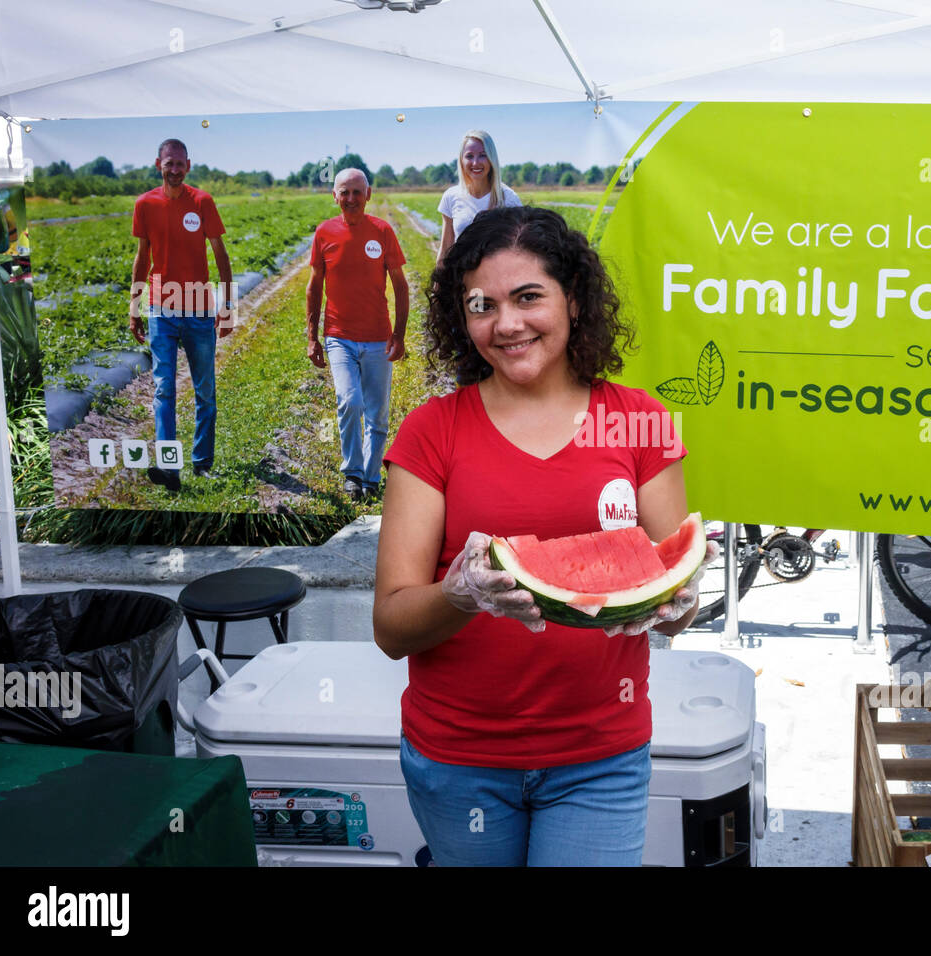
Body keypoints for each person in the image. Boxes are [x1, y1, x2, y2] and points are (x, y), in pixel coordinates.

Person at [373, 206, 715, 866]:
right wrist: (461, 594)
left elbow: (674, 607)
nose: (507, 324)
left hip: (601, 758)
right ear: (460, 317)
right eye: (482, 305)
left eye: (529, 297)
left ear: (575, 301)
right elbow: (390, 628)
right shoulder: (430, 432)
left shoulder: (639, 422)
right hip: (458, 759)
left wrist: (680, 600)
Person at [129, 138, 234, 491]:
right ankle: (169, 467)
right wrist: (135, 306)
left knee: (204, 390)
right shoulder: (145, 204)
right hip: (161, 309)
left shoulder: (202, 201)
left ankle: (202, 463)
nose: (174, 170)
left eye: (179, 164)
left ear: (188, 165)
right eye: (168, 163)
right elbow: (143, 257)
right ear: (158, 163)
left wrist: (227, 304)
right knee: (163, 388)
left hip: (199, 309)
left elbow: (221, 255)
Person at [306, 168, 409, 502]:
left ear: (369, 194)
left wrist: (399, 334)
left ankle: (370, 476)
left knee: (378, 412)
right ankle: (352, 471)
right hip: (339, 336)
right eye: (344, 192)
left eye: (357, 192)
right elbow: (314, 287)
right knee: (350, 401)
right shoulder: (324, 233)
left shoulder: (382, 231)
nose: (351, 199)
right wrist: (312, 336)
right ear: (334, 196)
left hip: (378, 337)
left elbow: (401, 285)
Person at [435, 129, 522, 264]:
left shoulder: (509, 199)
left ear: (492, 159)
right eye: (469, 156)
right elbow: (446, 248)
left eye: (483, 155)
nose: (475, 163)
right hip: (461, 280)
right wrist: (437, 284)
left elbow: (518, 251)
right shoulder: (451, 197)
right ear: (461, 160)